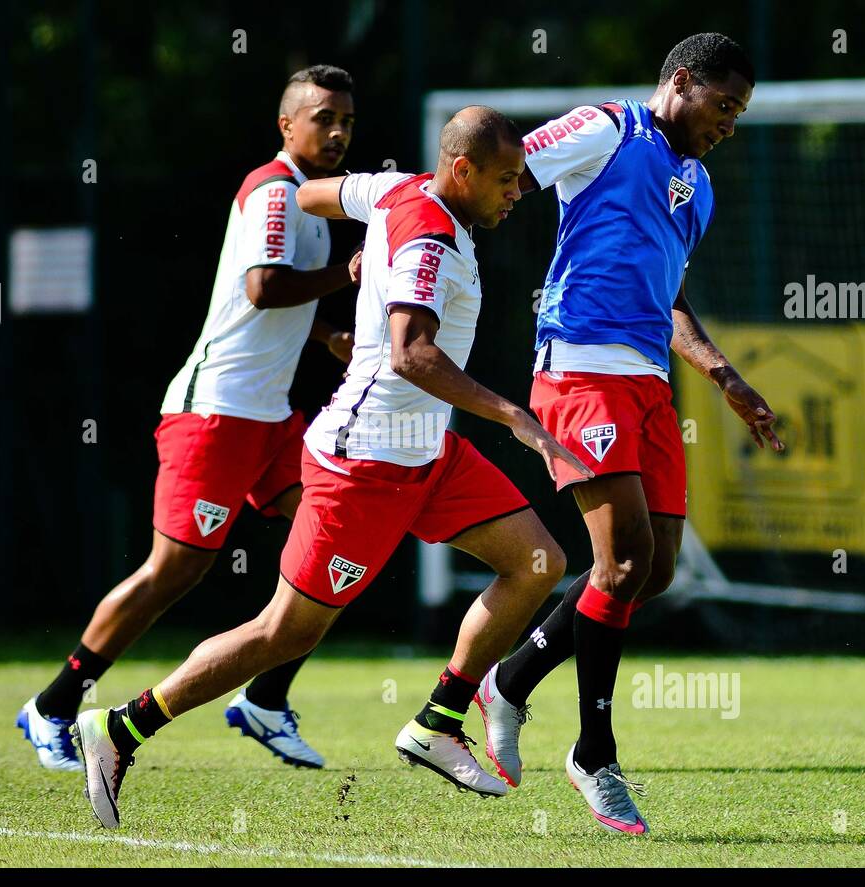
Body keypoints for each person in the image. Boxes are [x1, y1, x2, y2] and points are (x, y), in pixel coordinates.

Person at [71, 106, 592, 829]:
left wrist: (359, 259)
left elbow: (308, 194)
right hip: (364, 461)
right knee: (284, 632)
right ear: (462, 170)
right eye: (506, 180)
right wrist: (514, 416)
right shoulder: (430, 241)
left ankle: (438, 721)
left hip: (427, 451)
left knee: (537, 560)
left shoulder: (393, 191)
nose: (517, 192)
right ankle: (121, 728)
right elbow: (412, 351)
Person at [473, 33, 786, 834]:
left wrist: (726, 379)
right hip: (579, 367)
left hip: (650, 382)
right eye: (724, 106)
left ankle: (508, 682)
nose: (730, 124)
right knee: (620, 561)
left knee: (654, 571)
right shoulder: (608, 128)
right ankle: (594, 753)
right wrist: (413, 227)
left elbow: (669, 301)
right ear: (681, 82)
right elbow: (505, 165)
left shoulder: (700, 185)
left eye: (740, 113)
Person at [17, 65, 359, 773]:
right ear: (286, 125)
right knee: (173, 571)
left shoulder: (312, 202)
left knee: (341, 536)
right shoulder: (276, 189)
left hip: (270, 418)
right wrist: (350, 274)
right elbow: (263, 288)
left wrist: (325, 331)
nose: (336, 131)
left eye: (347, 121)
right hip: (217, 412)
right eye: (322, 117)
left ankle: (266, 699)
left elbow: (276, 297)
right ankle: (54, 705)